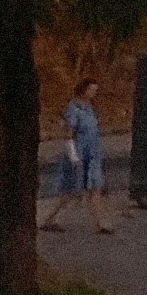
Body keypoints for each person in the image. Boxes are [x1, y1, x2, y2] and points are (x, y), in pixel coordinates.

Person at [50, 79, 111, 236]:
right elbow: (69, 134)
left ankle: (100, 222)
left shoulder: (90, 109)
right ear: (83, 90)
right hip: (78, 153)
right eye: (91, 90)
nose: (94, 93)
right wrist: (73, 155)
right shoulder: (73, 108)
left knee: (95, 187)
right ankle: (52, 218)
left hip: (92, 154)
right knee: (71, 190)